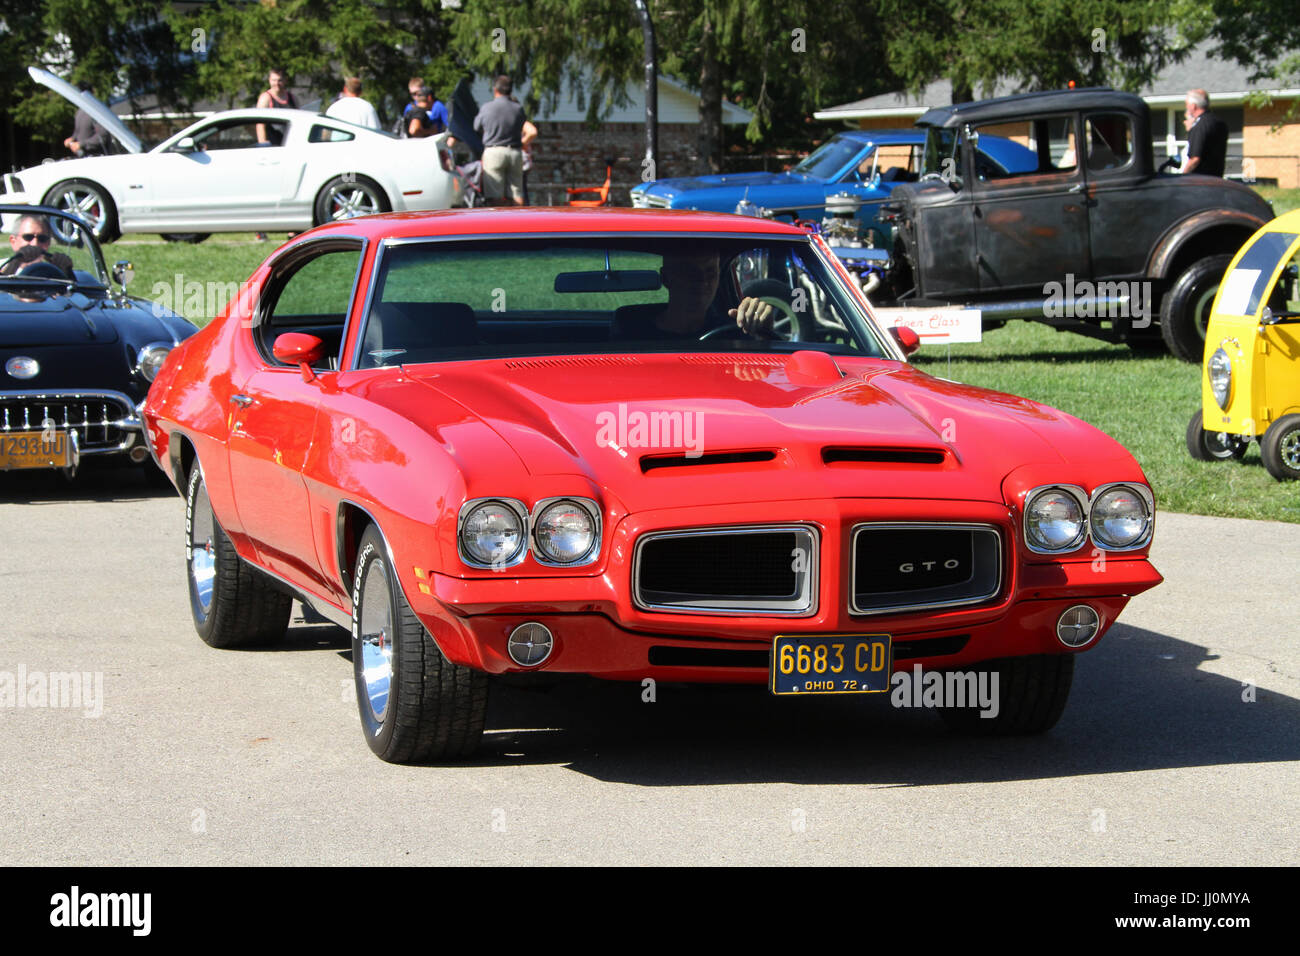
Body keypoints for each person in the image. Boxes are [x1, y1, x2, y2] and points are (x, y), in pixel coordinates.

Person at [615, 251, 775, 340]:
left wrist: (763, 332)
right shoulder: (633, 331)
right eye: (689, 272)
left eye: (710, 273)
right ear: (666, 278)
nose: (702, 281)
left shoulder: (735, 330)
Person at [473, 75, 529, 206]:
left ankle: (498, 225)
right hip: (515, 152)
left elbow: (476, 127)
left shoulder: (487, 107)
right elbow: (522, 126)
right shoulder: (518, 108)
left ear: (495, 89)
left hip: (494, 151)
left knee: (494, 194)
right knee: (517, 193)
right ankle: (519, 223)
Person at [3, 215, 73, 277]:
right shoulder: (2, 266)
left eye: (42, 238)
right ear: (13, 241)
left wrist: (65, 271)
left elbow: (72, 290)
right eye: (28, 237)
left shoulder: (52, 272)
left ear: (48, 242)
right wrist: (15, 263)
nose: (35, 244)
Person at [1179, 88, 1228, 177]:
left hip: (1199, 180)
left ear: (1193, 106)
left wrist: (1182, 177)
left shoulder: (1200, 126)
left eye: (1187, 104)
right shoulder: (1219, 123)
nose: (1186, 107)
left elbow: (1195, 159)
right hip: (1217, 177)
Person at [255, 67, 297, 144]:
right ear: (269, 80)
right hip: (273, 146)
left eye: (279, 80)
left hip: (290, 144)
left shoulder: (293, 98)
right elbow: (260, 124)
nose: (276, 83)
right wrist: (263, 143)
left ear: (285, 80)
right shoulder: (266, 98)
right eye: (274, 80)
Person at [64, 89, 108, 157]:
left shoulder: (96, 111)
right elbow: (77, 132)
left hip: (97, 156)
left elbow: (103, 135)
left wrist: (81, 144)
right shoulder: (79, 112)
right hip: (83, 156)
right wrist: (72, 139)